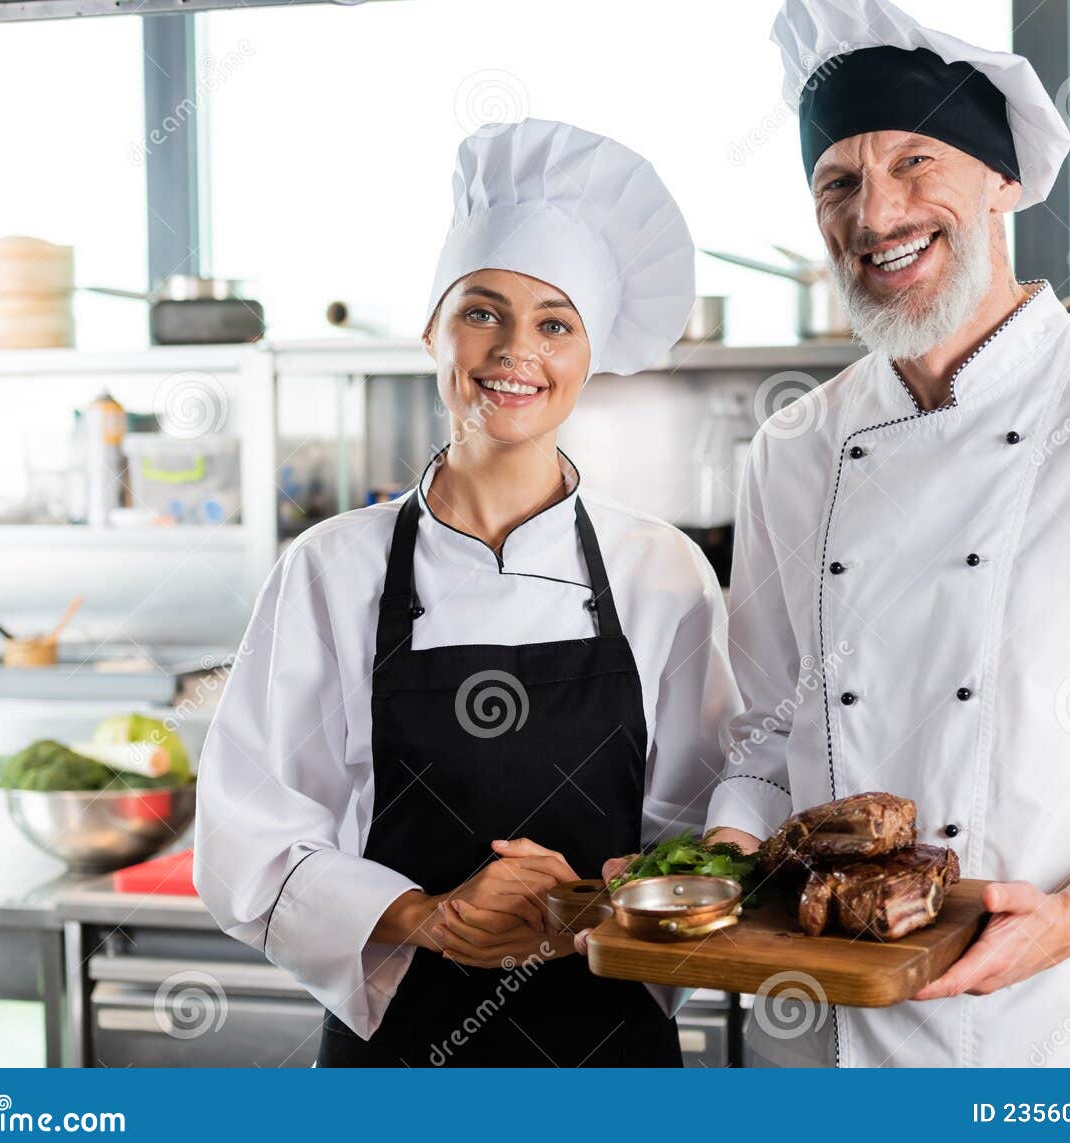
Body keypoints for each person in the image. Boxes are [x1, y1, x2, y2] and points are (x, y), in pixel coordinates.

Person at [701, 0, 1070, 1066]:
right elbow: (761, 734)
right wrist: (715, 863)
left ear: (1002, 181)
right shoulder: (791, 450)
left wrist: (1069, 917)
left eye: (916, 163)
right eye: (837, 182)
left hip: (1065, 1032)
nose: (876, 213)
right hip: (822, 1030)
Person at [194, 118, 739, 1067]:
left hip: (609, 1044)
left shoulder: (663, 571)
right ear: (432, 331)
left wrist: (583, 905)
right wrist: (427, 915)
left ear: (588, 355)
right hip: (399, 1052)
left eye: (555, 323)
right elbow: (248, 829)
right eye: (482, 311)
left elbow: (707, 830)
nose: (514, 350)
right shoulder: (331, 567)